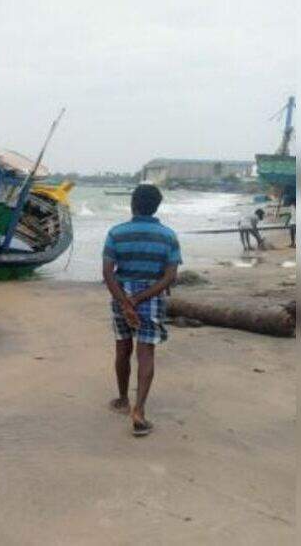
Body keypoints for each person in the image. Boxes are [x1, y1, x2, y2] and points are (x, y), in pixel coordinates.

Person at [103, 184, 181, 437]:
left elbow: (107, 273)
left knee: (122, 348)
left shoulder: (116, 233)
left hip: (121, 293)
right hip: (151, 297)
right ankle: (139, 411)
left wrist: (126, 302)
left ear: (132, 204)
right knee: (146, 352)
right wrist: (140, 299)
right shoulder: (168, 236)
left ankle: (123, 399)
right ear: (156, 206)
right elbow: (169, 277)